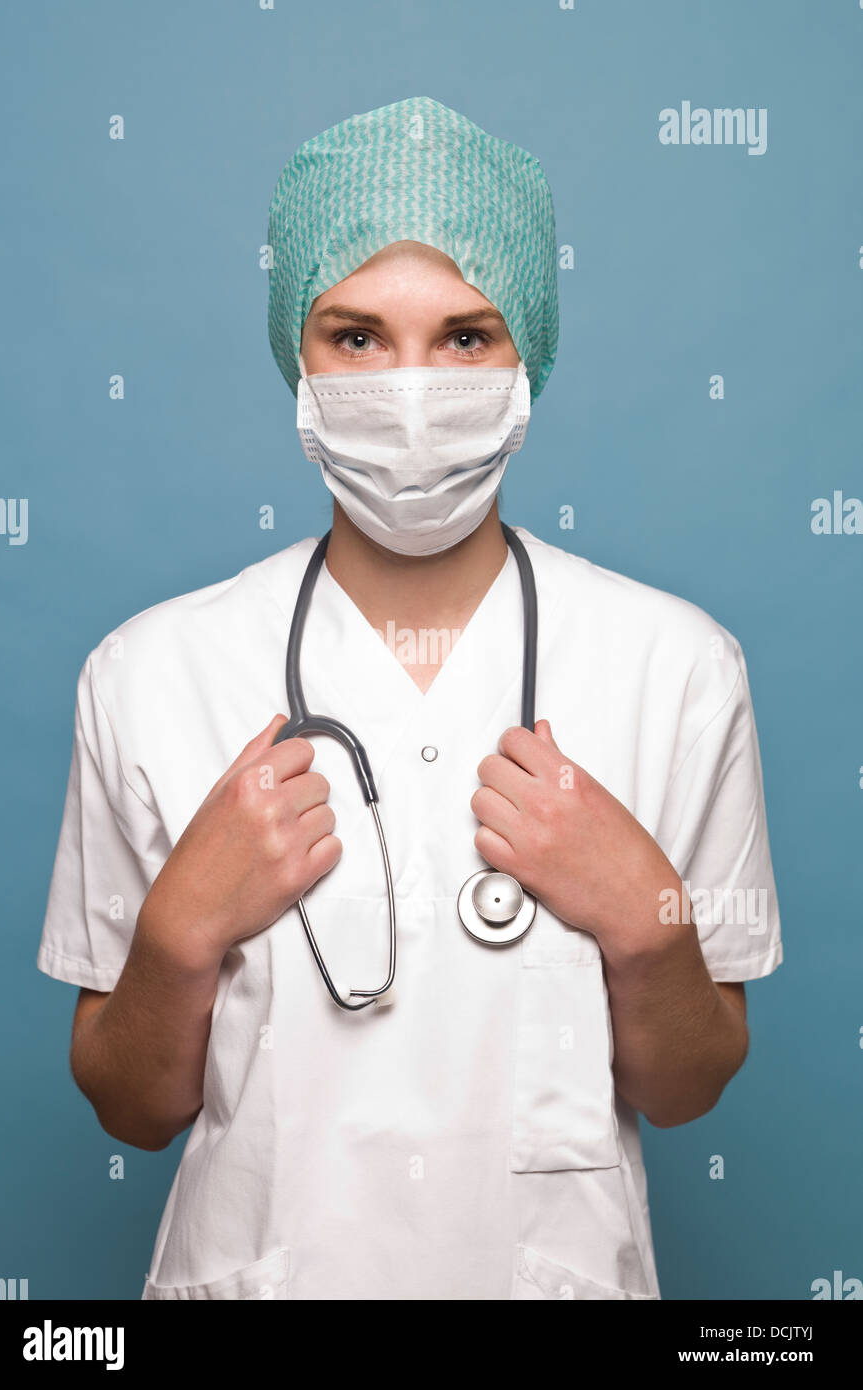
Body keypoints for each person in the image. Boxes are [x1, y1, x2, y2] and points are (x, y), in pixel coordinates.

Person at [38, 96, 782, 1301]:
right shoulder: (150, 671)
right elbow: (132, 1113)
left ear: (527, 351)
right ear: (297, 352)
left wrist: (644, 927)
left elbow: (685, 1088)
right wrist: (178, 934)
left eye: (465, 336)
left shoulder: (675, 665)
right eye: (358, 337)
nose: (413, 389)